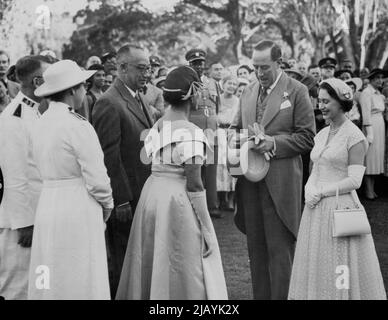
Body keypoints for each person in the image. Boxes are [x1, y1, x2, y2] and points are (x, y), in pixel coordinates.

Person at [116, 66, 228, 300]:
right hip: (177, 198)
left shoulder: (157, 124)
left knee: (154, 255)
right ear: (195, 94)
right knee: (183, 260)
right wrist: (207, 227)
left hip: (153, 193)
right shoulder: (192, 132)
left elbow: (148, 158)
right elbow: (195, 184)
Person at [230, 40, 315, 300]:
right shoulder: (248, 90)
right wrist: (238, 140)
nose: (259, 73)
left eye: (264, 67)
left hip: (281, 184)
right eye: (255, 67)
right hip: (250, 183)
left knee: (280, 252)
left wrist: (273, 143)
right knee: (256, 251)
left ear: (279, 63)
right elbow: (236, 128)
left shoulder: (297, 90)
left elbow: (307, 138)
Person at [288, 78, 386, 300]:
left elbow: (354, 181)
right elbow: (316, 167)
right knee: (317, 260)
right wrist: (310, 186)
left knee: (338, 264)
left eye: (326, 101)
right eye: (319, 100)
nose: (320, 105)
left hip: (340, 206)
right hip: (315, 208)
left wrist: (322, 191)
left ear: (341, 102)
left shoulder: (355, 136)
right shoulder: (322, 134)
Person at [28, 60, 113, 300]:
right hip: (77, 202)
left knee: (51, 267)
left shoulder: (40, 122)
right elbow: (97, 178)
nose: (84, 90)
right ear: (73, 90)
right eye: (82, 86)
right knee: (81, 271)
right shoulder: (78, 126)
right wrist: (107, 204)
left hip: (48, 202)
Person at [92, 43, 154, 297]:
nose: (147, 74)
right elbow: (109, 157)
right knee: (123, 261)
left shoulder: (138, 96)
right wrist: (120, 200)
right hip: (126, 199)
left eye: (148, 68)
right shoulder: (109, 102)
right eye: (141, 68)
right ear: (121, 68)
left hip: (143, 192)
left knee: (139, 261)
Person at [0, 55, 51, 300]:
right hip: (22, 222)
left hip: (39, 214)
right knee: (17, 288)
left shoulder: (35, 112)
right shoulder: (14, 119)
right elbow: (14, 175)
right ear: (38, 80)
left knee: (39, 287)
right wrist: (24, 223)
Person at [186, 48, 221, 218]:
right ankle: (197, 206)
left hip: (211, 129)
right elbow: (188, 107)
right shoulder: (187, 82)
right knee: (196, 169)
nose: (199, 66)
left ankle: (212, 206)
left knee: (211, 170)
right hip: (194, 130)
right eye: (195, 63)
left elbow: (217, 105)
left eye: (200, 63)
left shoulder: (212, 82)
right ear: (190, 65)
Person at [359, 69, 387, 200]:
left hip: (380, 124)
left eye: (381, 78)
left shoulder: (379, 94)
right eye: (377, 78)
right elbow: (365, 114)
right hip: (371, 126)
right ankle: (368, 190)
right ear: (370, 80)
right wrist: (369, 133)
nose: (380, 80)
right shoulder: (366, 93)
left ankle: (373, 188)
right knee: (369, 158)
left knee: (377, 157)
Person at [217, 75, 239, 211]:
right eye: (229, 83)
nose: (231, 86)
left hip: (234, 132)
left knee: (234, 164)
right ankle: (222, 198)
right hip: (219, 131)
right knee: (220, 164)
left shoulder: (238, 100)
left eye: (234, 84)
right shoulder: (217, 99)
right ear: (223, 84)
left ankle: (231, 199)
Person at [140, 56, 165, 122]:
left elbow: (161, 114)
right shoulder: (137, 84)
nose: (153, 69)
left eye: (156, 66)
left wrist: (147, 107)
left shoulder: (159, 87)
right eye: (151, 65)